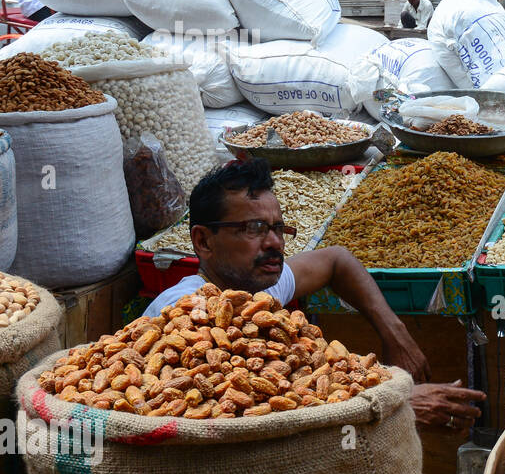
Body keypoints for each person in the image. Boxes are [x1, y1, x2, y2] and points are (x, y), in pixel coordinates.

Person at [142, 159, 486, 431]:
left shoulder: (257, 287)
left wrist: (395, 334)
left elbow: (337, 260)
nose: (275, 242)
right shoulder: (184, 314)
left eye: (278, 228)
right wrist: (395, 406)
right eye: (254, 229)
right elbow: (247, 426)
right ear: (203, 241)